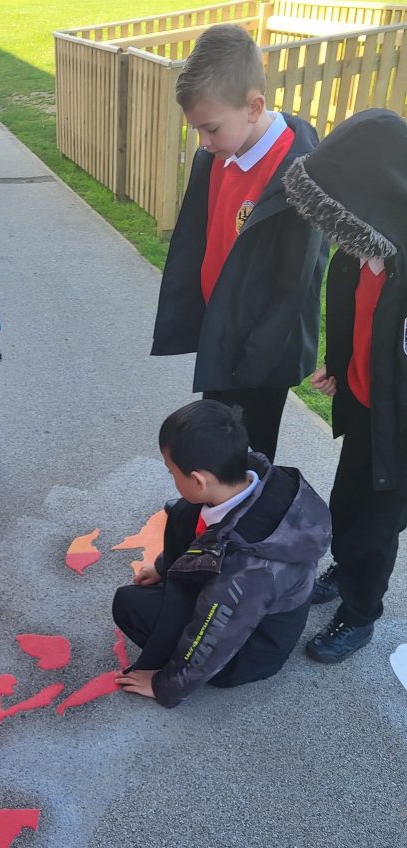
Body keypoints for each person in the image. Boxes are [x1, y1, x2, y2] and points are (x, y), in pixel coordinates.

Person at [151, 25, 328, 463]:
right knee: (217, 444)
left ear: (254, 107)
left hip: (263, 352)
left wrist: (249, 363)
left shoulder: (300, 176)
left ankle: (244, 523)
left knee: (250, 452)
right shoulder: (215, 156)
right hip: (222, 328)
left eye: (210, 128)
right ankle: (218, 510)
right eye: (196, 130)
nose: (203, 142)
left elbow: (295, 285)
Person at [282, 109, 407, 664]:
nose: (334, 228)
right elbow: (353, 318)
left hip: (399, 428)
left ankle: (360, 613)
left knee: (377, 527)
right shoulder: (358, 256)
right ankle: (345, 565)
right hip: (364, 404)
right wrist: (338, 362)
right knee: (347, 503)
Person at [113, 400, 331, 708]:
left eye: (172, 472)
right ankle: (175, 581)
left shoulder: (248, 568)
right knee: (184, 512)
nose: (172, 479)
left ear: (199, 479)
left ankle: (177, 668)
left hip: (250, 648)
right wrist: (166, 566)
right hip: (241, 601)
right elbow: (206, 535)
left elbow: (213, 637)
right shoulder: (253, 474)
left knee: (130, 604)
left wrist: (165, 685)